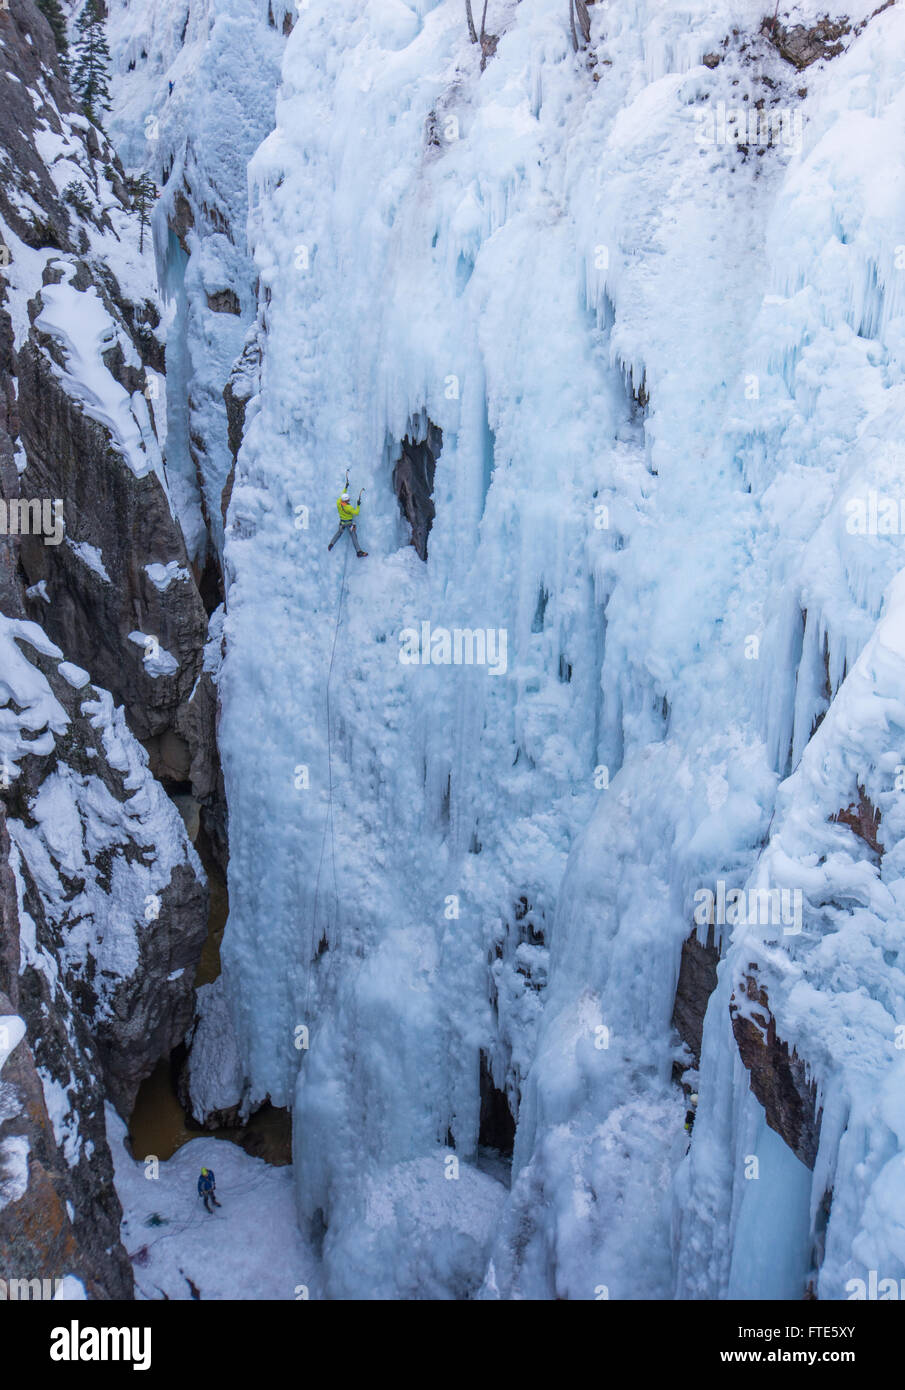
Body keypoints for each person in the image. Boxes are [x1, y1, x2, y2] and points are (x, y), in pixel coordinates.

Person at [327, 488, 367, 558]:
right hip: (349, 524)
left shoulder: (338, 502)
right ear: (345, 501)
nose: (349, 500)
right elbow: (356, 513)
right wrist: (358, 505)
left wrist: (346, 487)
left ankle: (331, 544)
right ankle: (358, 552)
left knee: (338, 533)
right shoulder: (348, 507)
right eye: (348, 500)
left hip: (342, 523)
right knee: (353, 536)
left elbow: (342, 494)